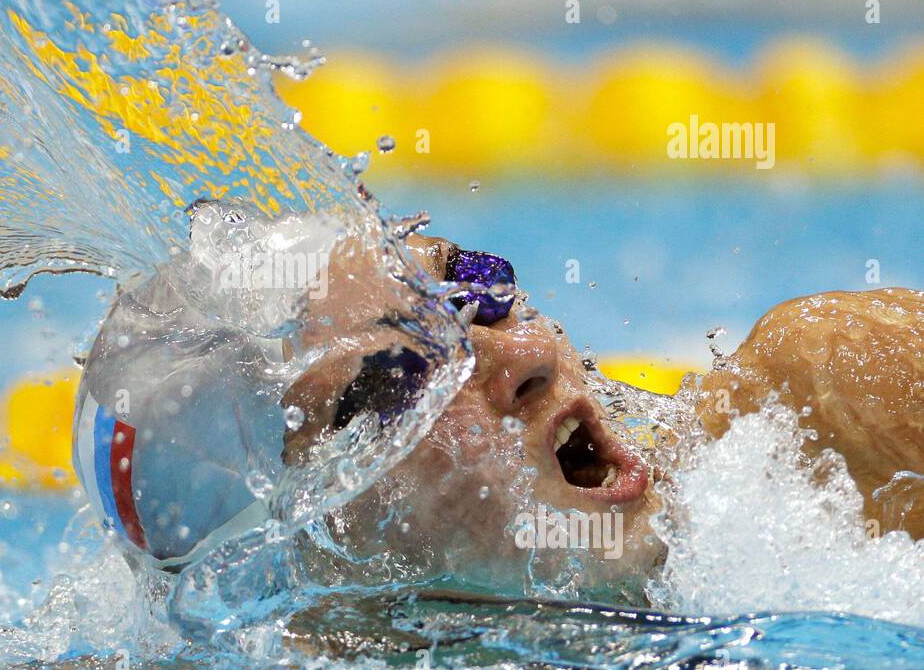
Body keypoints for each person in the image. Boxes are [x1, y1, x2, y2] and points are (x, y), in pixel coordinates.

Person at [73, 202, 924, 601]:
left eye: (471, 285)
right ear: (301, 554)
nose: (524, 355)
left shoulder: (836, 410)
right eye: (397, 383)